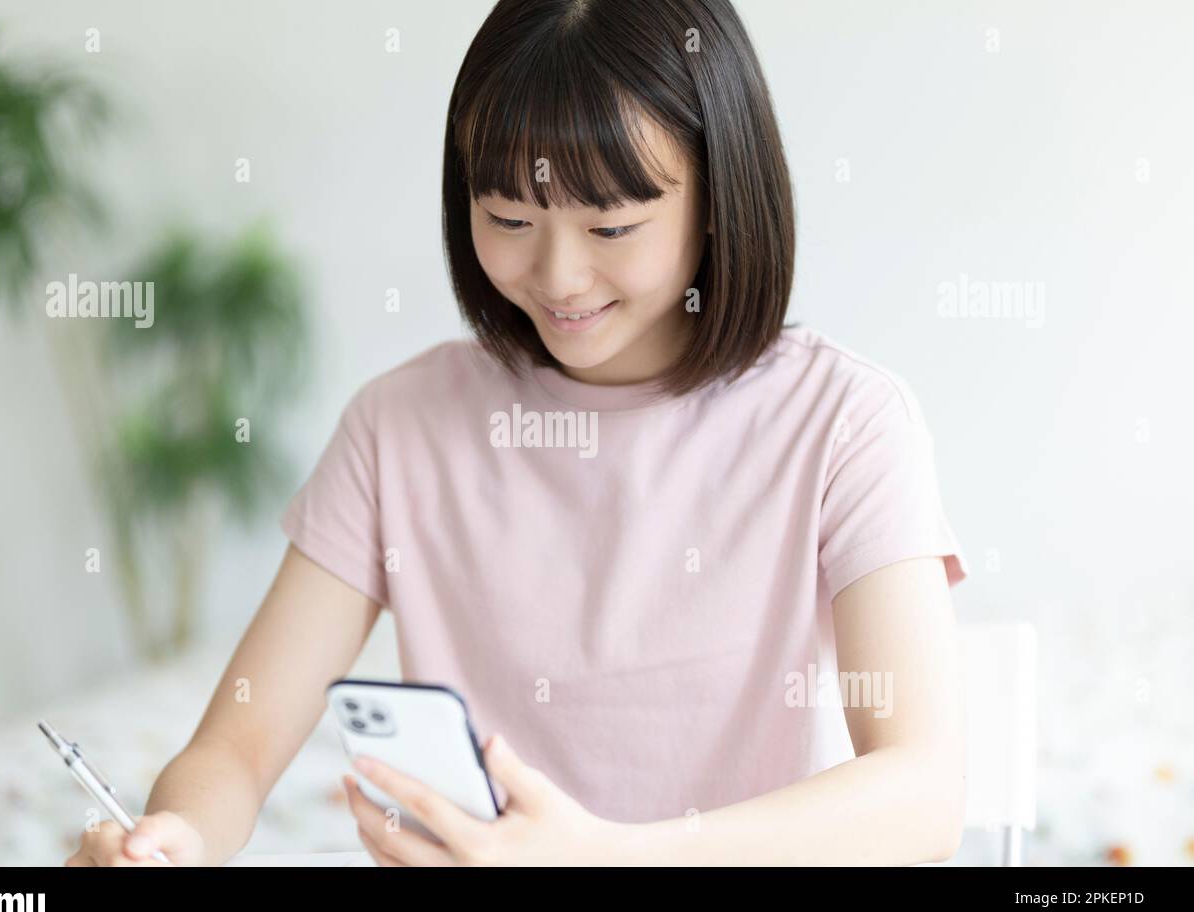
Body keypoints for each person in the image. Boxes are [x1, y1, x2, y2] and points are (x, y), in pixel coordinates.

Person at [67, 0, 969, 867]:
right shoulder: (399, 427)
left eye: (612, 226)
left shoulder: (843, 424)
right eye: (508, 220)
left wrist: (610, 860)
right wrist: (175, 837)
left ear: (718, 197)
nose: (559, 276)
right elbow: (238, 746)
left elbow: (925, 791)